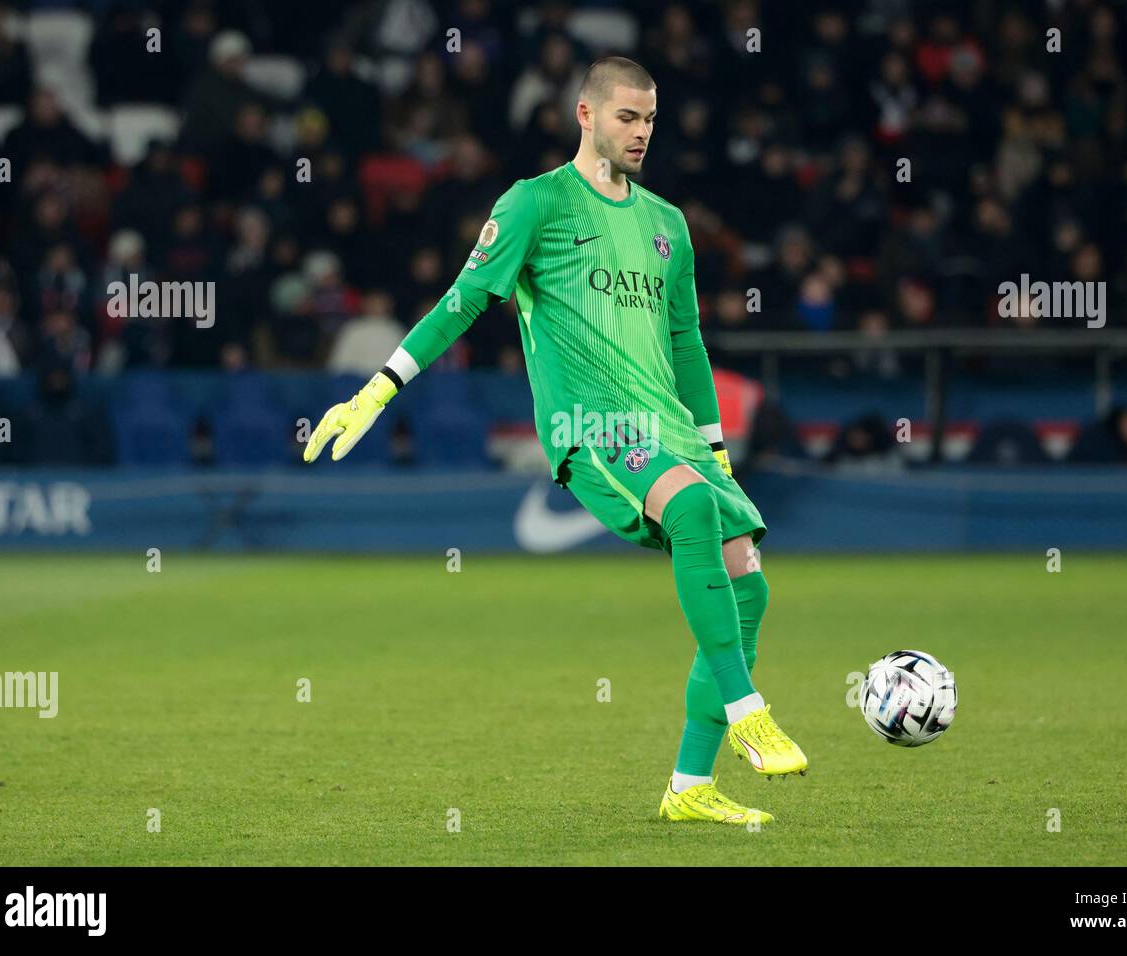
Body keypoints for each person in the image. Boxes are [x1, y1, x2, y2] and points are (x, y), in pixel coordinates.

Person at [303, 57, 806, 825]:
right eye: (626, 117)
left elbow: (689, 345)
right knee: (696, 516)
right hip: (589, 422)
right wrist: (379, 387)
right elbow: (463, 302)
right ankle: (746, 709)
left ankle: (689, 788)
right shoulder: (536, 203)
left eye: (650, 119)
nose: (640, 133)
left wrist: (716, 452)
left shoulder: (668, 224)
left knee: (749, 584)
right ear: (586, 115)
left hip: (666, 424)